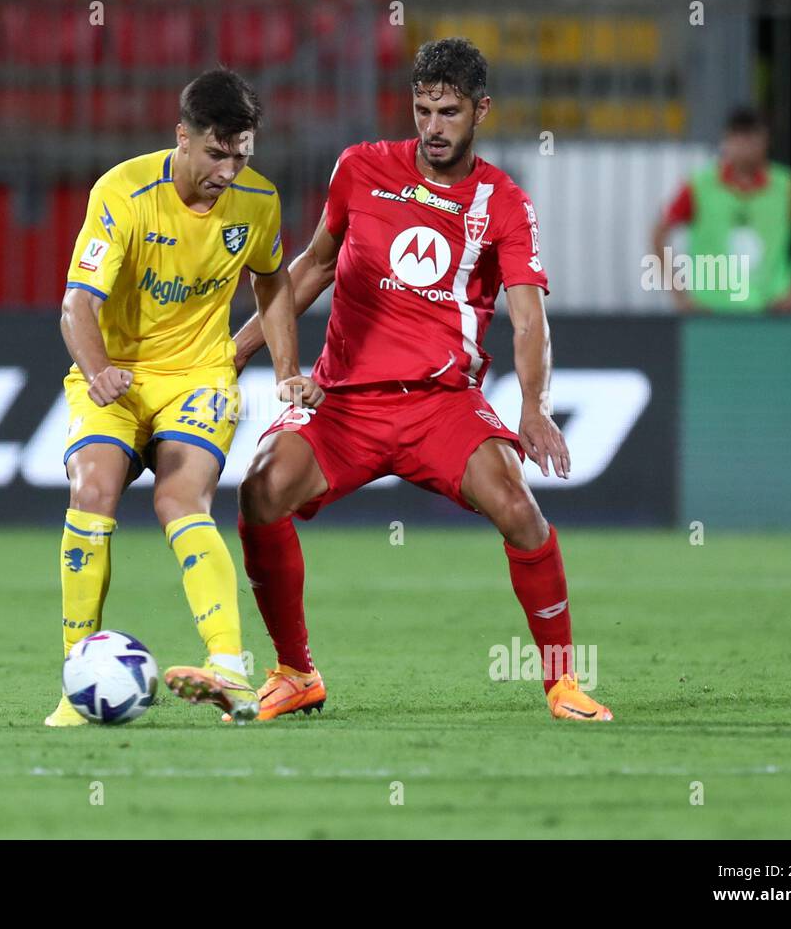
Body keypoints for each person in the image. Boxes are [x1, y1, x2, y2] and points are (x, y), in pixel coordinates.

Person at [230, 38, 612, 722]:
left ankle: (562, 682)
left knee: (519, 509)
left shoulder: (504, 203)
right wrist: (237, 351)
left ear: (481, 111)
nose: (433, 127)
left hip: (442, 405)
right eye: (423, 109)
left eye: (449, 112)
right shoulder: (360, 168)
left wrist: (534, 405)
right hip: (343, 401)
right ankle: (296, 671)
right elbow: (311, 268)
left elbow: (530, 319)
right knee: (261, 488)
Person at [45, 68, 323, 727]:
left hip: (202, 376)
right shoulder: (123, 192)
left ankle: (228, 665)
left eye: (241, 154)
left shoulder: (258, 202)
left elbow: (273, 285)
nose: (229, 169)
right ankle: (75, 679)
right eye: (216, 153)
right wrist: (99, 368)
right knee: (92, 493)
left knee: (179, 498)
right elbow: (76, 303)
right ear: (183, 137)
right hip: (116, 375)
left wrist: (287, 370)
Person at [651, 107, 791, 313]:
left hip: (770, 308)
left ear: (765, 141)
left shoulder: (786, 185)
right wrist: (680, 295)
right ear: (726, 140)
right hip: (711, 309)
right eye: (739, 138)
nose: (745, 147)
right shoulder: (700, 185)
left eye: (752, 138)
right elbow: (660, 232)